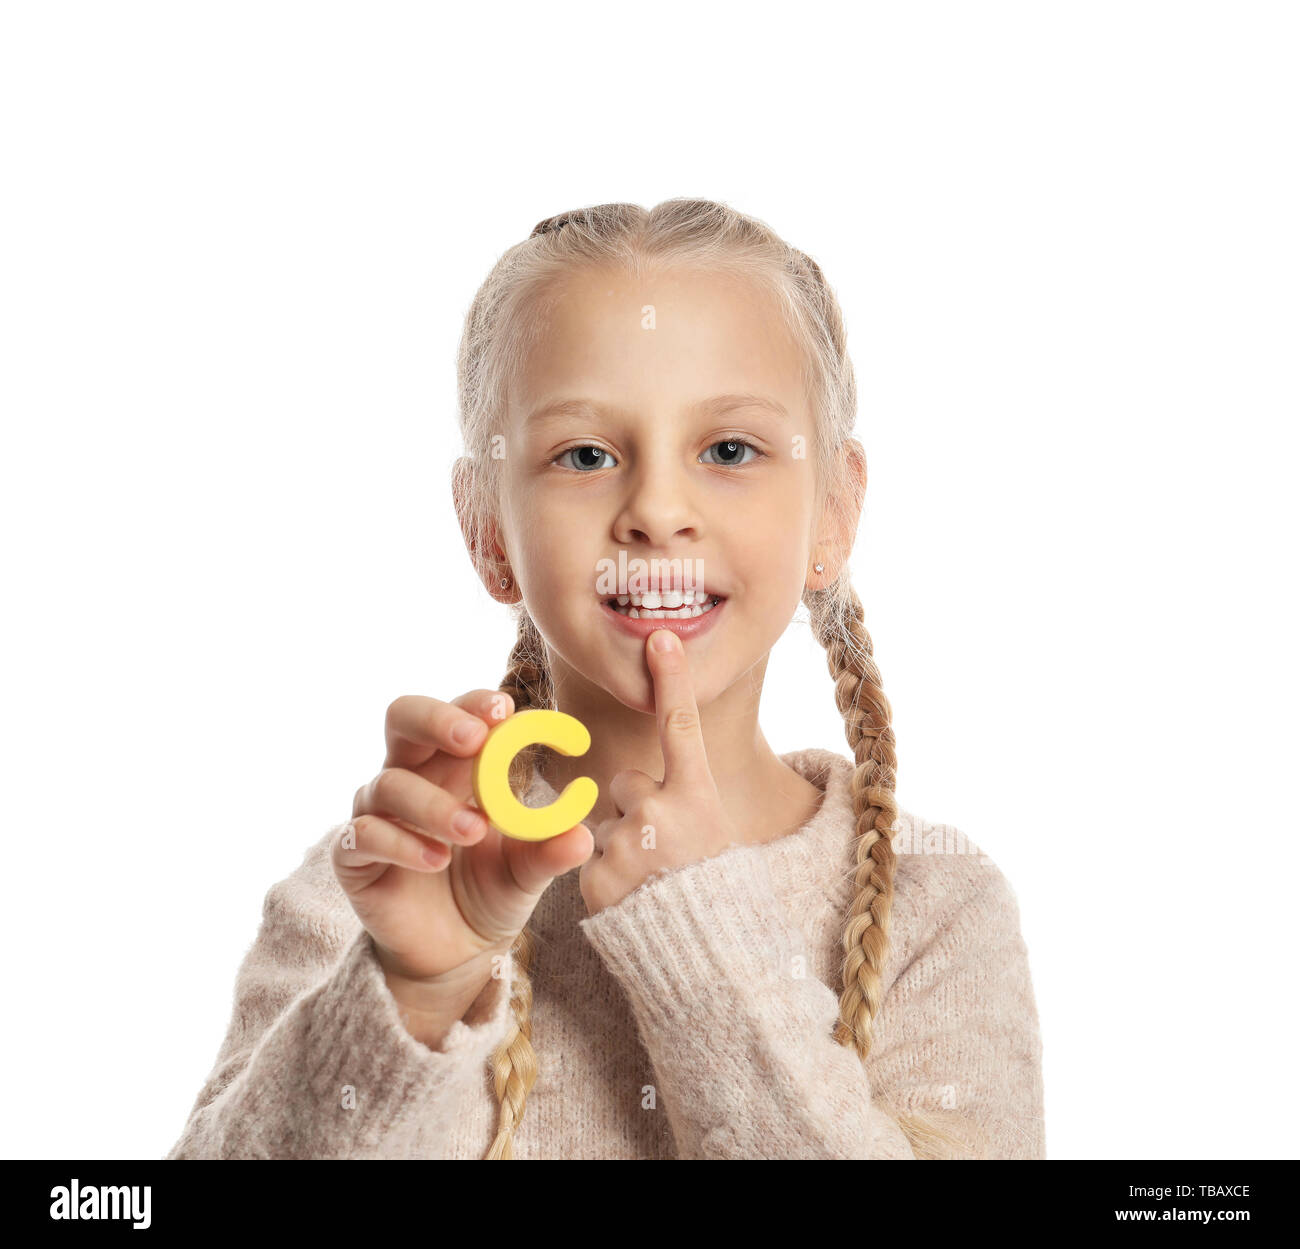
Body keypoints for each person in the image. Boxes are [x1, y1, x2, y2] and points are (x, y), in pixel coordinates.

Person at [166, 199, 1046, 1160]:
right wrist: (415, 992)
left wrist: (704, 938)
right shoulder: (366, 896)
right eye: (585, 455)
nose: (658, 510)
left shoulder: (938, 905)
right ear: (487, 532)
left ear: (832, 512)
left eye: (729, 450)